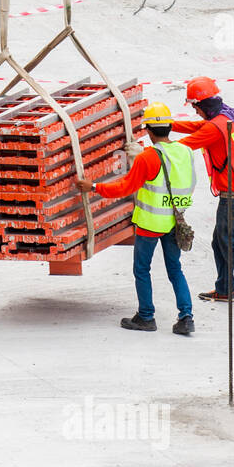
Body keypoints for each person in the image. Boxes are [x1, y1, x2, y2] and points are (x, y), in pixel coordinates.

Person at [76, 102, 197, 335]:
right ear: (170, 127)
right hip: (176, 221)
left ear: (149, 131)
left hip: (150, 224)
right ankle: (186, 316)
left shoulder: (148, 158)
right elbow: (191, 184)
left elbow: (124, 187)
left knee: (142, 269)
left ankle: (146, 317)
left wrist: (93, 186)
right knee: (175, 270)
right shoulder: (185, 152)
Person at [171, 77, 234, 303]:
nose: (195, 112)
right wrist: (168, 123)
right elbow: (198, 126)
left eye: (195, 107)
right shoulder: (227, 115)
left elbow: (183, 146)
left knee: (228, 241)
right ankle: (224, 289)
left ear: (202, 104)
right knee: (220, 240)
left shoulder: (215, 127)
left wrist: (153, 143)